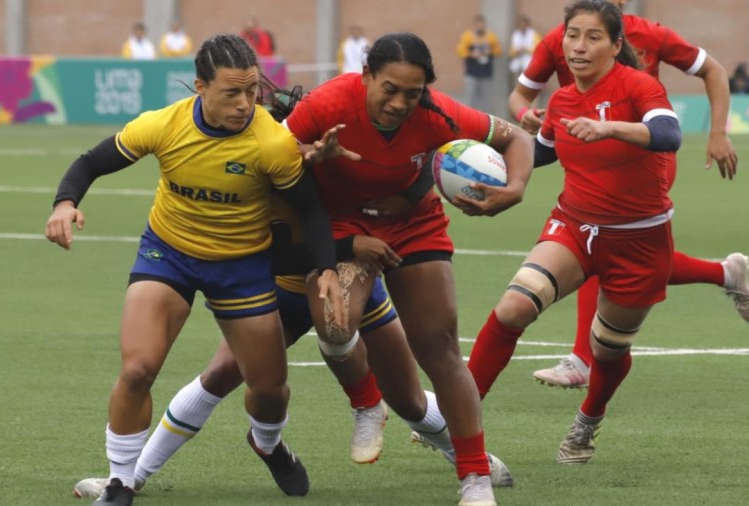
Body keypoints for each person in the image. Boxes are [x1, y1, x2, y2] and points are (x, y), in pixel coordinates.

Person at [45, 34, 345, 505]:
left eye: (251, 91)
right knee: (138, 367)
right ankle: (120, 483)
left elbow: (310, 209)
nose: (245, 103)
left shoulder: (271, 141)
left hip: (242, 266)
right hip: (168, 255)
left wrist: (327, 267)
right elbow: (90, 163)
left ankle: (267, 445)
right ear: (200, 87)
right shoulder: (164, 125)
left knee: (269, 391)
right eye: (231, 92)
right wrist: (65, 204)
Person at [71, 195, 515, 500]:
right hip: (280, 293)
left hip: (344, 289)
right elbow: (273, 253)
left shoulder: (325, 166)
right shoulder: (253, 170)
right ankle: (131, 479)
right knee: (219, 377)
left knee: (410, 399)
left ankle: (472, 461)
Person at [284, 32, 534, 506]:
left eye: (413, 94)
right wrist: (307, 156)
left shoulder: (439, 112)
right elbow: (269, 157)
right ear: (366, 77)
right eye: (390, 89)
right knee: (335, 326)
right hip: (342, 228)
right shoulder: (325, 105)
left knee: (439, 349)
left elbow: (517, 137)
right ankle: (366, 403)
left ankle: (475, 479)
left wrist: (516, 187)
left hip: (414, 225)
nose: (400, 103)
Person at [468, 0, 687, 465]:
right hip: (575, 226)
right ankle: (455, 416)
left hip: (639, 239)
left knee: (608, 352)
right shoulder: (564, 100)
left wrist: (609, 128)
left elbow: (669, 134)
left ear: (615, 45)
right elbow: (543, 152)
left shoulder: (639, 85)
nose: (579, 46)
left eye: (592, 37)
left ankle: (587, 421)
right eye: (572, 36)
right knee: (513, 307)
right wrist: (488, 161)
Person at [506, 0, 749, 389]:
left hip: (643, 154)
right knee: (618, 248)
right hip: (583, 150)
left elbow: (712, 70)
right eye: (576, 35)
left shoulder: (650, 34)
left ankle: (581, 359)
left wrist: (718, 131)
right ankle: (725, 273)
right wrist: (526, 115)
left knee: (598, 237)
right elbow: (521, 96)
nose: (580, 44)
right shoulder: (560, 37)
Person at [456, 14, 502, 111]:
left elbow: (498, 51)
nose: (480, 27)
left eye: (481, 25)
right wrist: (471, 54)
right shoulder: (468, 36)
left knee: (486, 98)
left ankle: (486, 119)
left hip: (486, 72)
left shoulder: (490, 37)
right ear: (474, 25)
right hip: (472, 71)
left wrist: (490, 52)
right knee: (471, 97)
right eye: (478, 25)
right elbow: (460, 51)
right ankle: (470, 117)